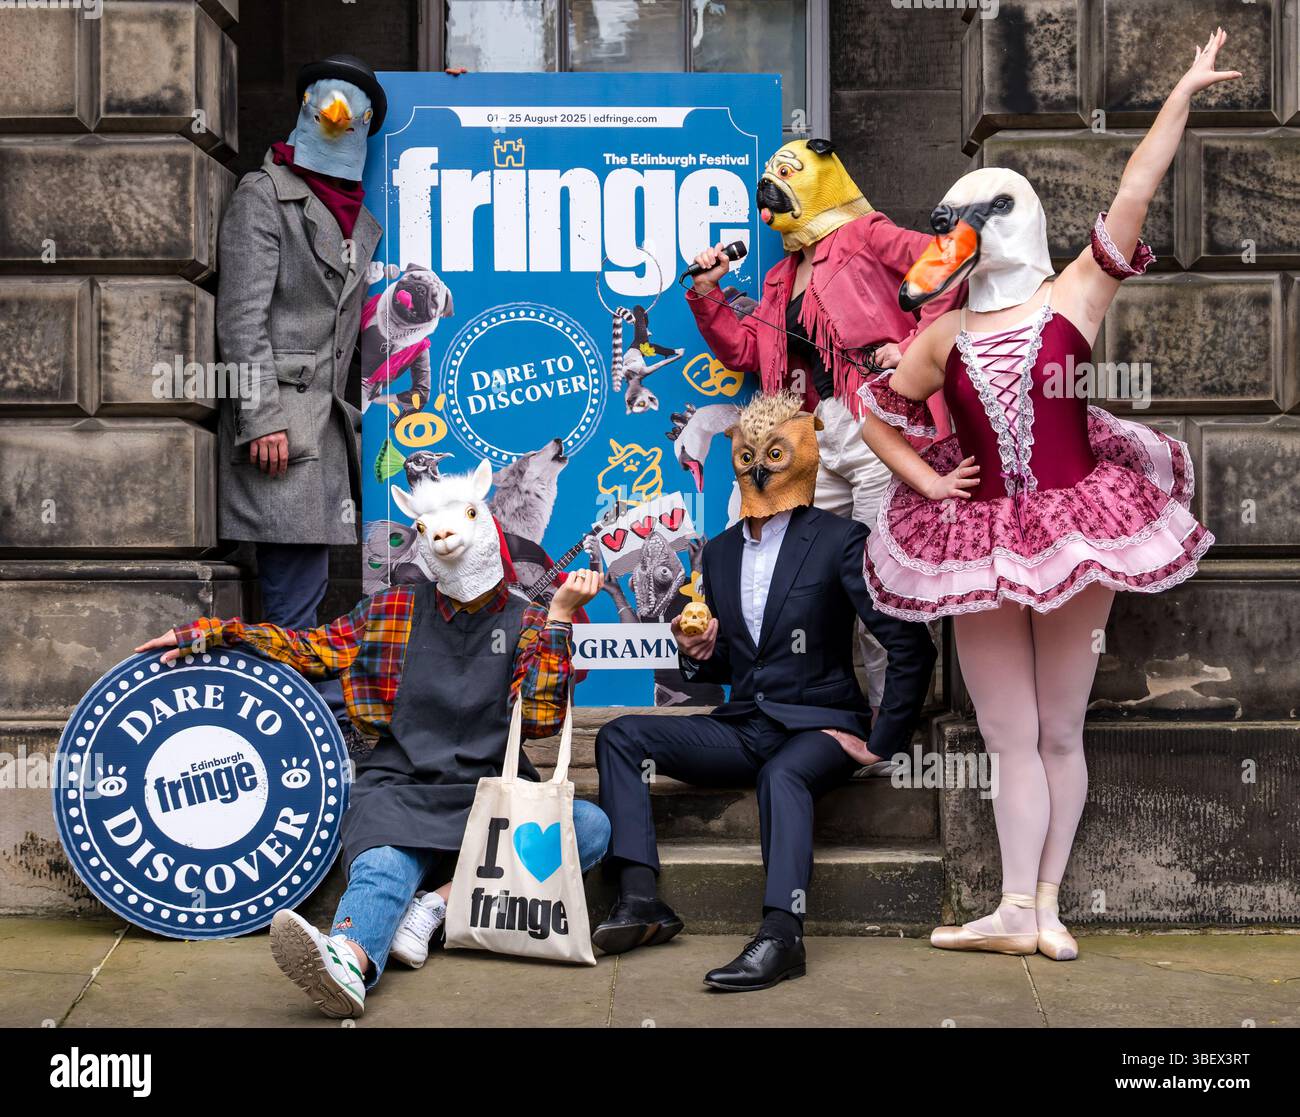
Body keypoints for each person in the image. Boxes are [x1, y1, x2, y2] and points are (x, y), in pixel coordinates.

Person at [858, 30, 1236, 960]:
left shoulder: (1077, 291)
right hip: (977, 539)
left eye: (976, 214)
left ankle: (1045, 905)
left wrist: (1182, 93)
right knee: (1006, 731)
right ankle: (1014, 910)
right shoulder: (945, 333)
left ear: (1008, 218)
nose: (961, 230)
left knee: (1060, 728)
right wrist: (928, 477)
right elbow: (876, 412)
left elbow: (1134, 194)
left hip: (1076, 526)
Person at [137, 460, 610, 1018]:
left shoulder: (529, 620)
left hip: (492, 795)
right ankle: (346, 964)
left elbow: (540, 719)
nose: (444, 535)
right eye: (428, 529)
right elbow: (310, 648)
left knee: (589, 826)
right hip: (403, 787)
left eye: (460, 519)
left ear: (486, 525)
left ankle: (436, 906)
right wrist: (213, 633)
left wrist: (558, 618)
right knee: (382, 863)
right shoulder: (391, 609)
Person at [592, 391, 937, 992]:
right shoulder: (720, 552)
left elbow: (910, 645)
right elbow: (730, 660)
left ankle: (782, 935)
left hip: (818, 725)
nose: (760, 467)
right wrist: (697, 655)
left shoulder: (838, 539)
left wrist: (882, 743)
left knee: (783, 775)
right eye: (750, 454)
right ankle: (642, 901)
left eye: (774, 453)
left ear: (802, 455)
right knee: (622, 735)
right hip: (747, 724)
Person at [685, 138, 963, 731]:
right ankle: (809, 714)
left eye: (785, 173)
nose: (771, 188)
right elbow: (746, 353)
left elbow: (952, 257)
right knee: (799, 570)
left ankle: (894, 729)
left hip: (876, 425)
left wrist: (914, 350)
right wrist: (708, 293)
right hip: (813, 433)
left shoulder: (865, 234)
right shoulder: (782, 275)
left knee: (882, 580)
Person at [215, 54, 386, 731]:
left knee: (306, 599)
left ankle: (288, 747)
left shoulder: (355, 216)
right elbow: (241, 315)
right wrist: (259, 418)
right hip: (282, 431)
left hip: (325, 436)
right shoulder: (264, 194)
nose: (341, 115)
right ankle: (288, 750)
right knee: (292, 606)